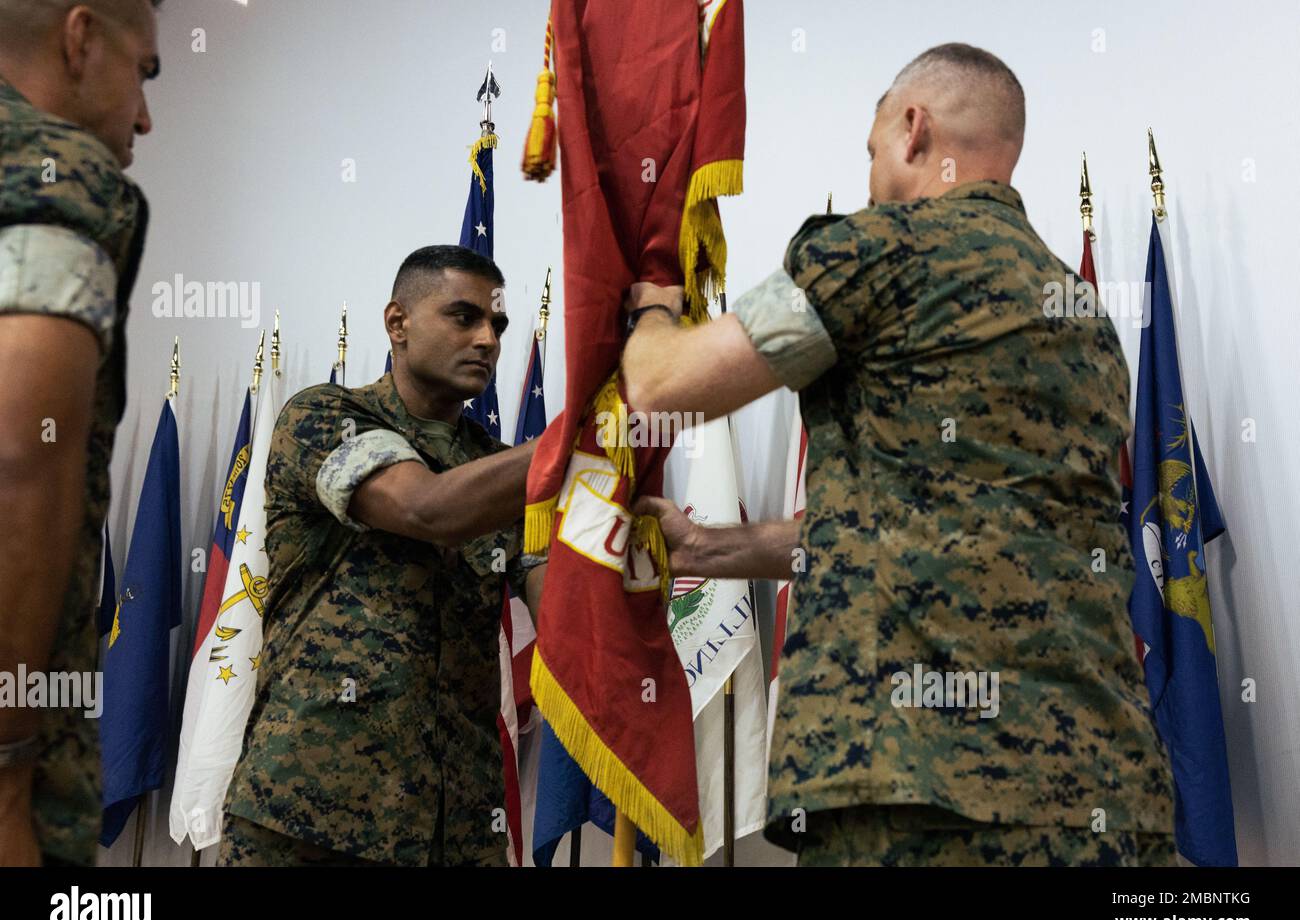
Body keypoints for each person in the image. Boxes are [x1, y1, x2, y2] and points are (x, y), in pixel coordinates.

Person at [622, 43, 1175, 866]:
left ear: (913, 130)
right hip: (1101, 785)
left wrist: (656, 305)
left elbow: (662, 390)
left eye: (874, 145)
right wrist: (711, 548)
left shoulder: (879, 251)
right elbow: (928, 521)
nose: (874, 171)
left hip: (920, 787)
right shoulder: (1083, 317)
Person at [220, 245, 545, 866]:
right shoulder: (324, 417)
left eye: (498, 326)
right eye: (463, 317)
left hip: (458, 827)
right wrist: (574, 440)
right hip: (309, 818)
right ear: (398, 323)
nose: (487, 340)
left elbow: (560, 614)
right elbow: (430, 509)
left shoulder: (500, 468)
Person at [0, 0, 160, 867]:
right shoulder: (55, 170)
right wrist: (5, 780)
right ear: (80, 36)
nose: (143, 113)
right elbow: (19, 459)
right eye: (145, 70)